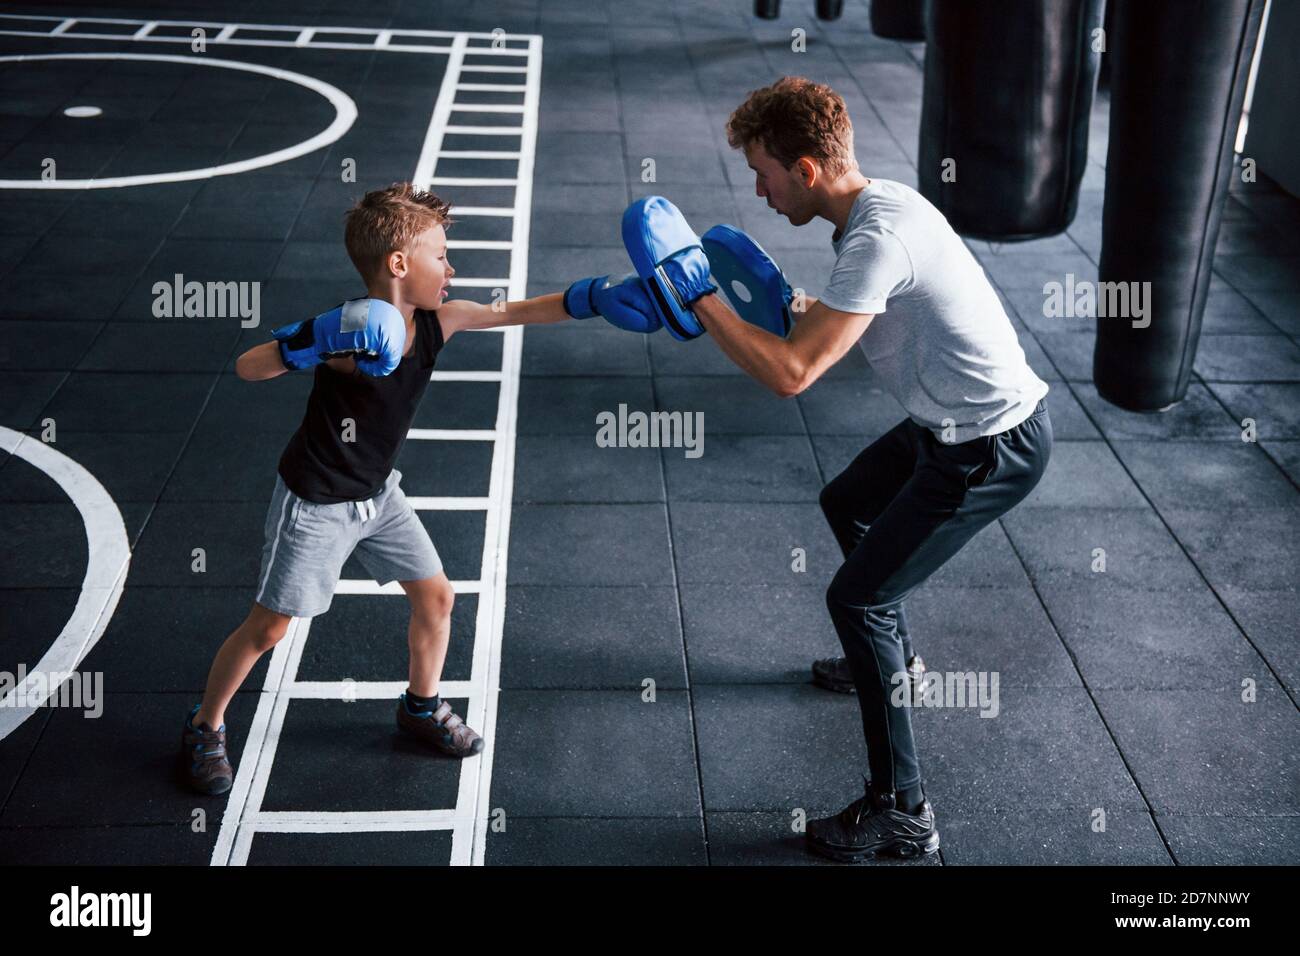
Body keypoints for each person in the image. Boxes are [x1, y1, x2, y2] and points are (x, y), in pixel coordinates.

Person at [639, 76, 1053, 861]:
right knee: (847, 503)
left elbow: (793, 376)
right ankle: (900, 661)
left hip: (989, 442)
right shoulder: (875, 206)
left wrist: (703, 303)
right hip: (949, 422)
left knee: (857, 599)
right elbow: (857, 315)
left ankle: (905, 809)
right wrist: (793, 308)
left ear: (807, 170)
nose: (758, 191)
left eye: (764, 174)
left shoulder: (875, 238)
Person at [181, 182, 662, 795]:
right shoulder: (346, 338)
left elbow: (516, 311)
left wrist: (598, 296)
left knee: (437, 598)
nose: (451, 266)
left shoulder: (441, 320)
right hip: (317, 503)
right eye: (440, 253)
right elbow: (250, 367)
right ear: (399, 264)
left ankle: (419, 706)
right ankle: (205, 725)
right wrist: (309, 343)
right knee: (269, 628)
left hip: (379, 497)